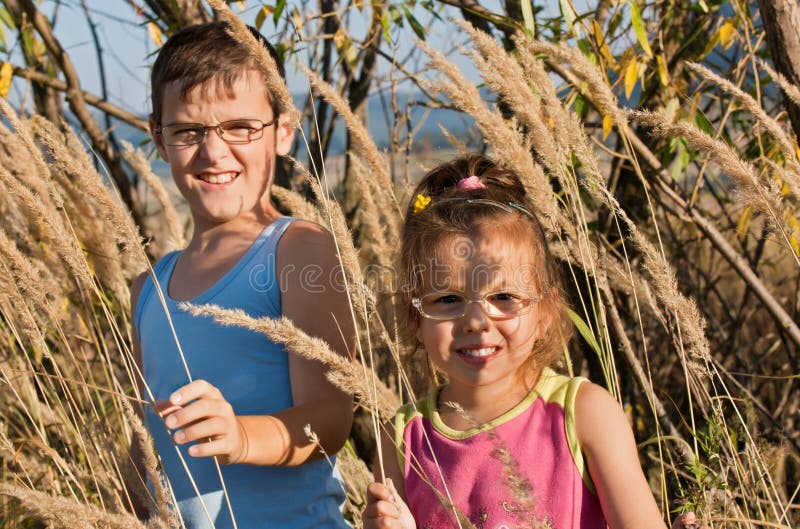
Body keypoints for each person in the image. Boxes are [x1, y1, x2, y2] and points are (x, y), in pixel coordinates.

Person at [363, 154, 669, 529]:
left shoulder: (582, 416)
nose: (476, 321)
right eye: (448, 300)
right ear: (416, 318)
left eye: (503, 298)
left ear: (544, 313)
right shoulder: (402, 443)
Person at [129, 21, 354, 529]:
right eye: (188, 131)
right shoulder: (148, 291)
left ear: (283, 129)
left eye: (240, 127)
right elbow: (145, 445)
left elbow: (331, 416)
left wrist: (242, 437)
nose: (214, 153)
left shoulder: (298, 251)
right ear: (158, 138)